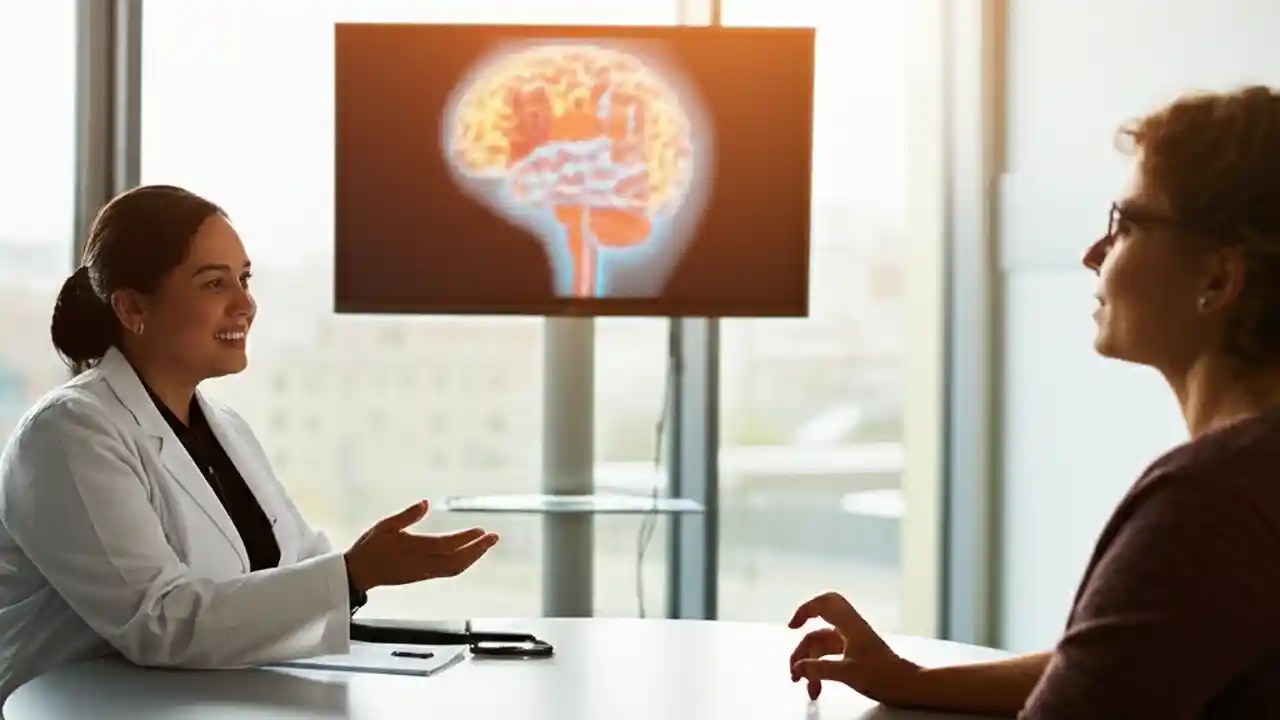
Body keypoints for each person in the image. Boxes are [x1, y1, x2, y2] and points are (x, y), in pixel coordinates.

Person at [788, 84, 1280, 718]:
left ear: (1217, 279)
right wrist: (914, 680)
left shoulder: (1209, 501)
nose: (1093, 255)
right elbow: (1138, 660)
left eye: (1126, 226)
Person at [0, 185, 500, 702]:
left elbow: (298, 566)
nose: (245, 305)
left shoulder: (226, 427)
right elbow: (158, 622)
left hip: (208, 704)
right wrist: (355, 573)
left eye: (244, 279)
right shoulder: (70, 431)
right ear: (131, 308)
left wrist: (363, 578)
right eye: (214, 283)